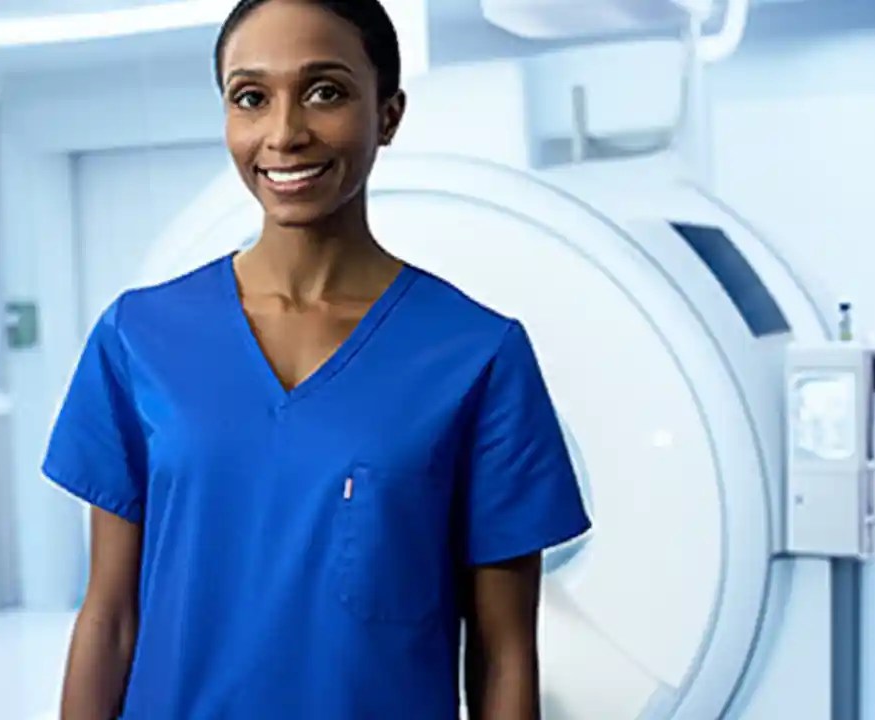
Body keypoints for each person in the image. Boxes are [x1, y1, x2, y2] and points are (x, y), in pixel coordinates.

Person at [41, 0, 591, 717]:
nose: (284, 133)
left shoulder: (477, 355)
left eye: (325, 91)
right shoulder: (139, 336)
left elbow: (505, 651)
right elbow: (109, 620)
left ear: (388, 114)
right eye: (250, 98)